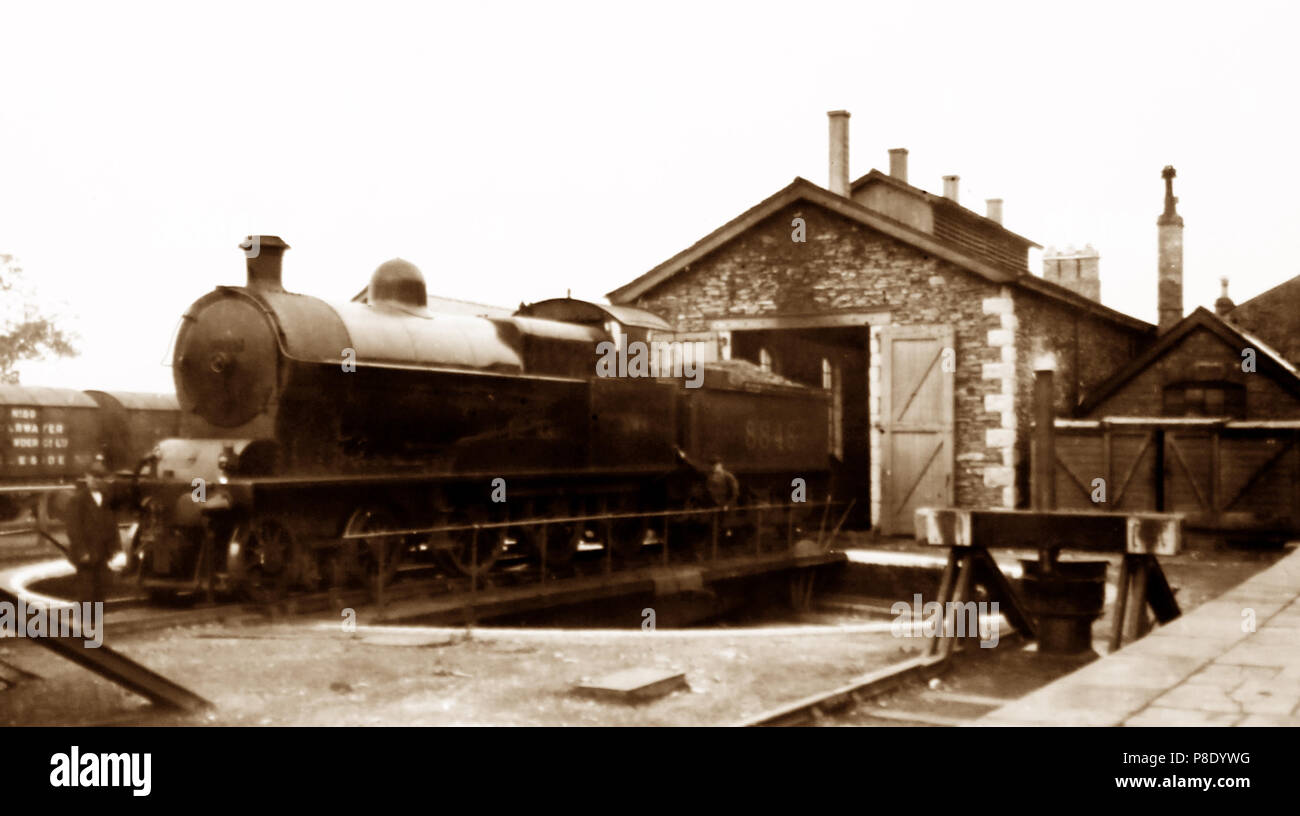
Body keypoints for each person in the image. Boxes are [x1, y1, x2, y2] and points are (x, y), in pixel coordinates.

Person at [64, 463, 118, 605]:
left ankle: (97, 623)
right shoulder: (78, 500)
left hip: (102, 553)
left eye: (99, 477)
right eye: (93, 477)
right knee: (86, 590)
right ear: (87, 477)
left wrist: (115, 548)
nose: (95, 480)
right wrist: (82, 551)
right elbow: (73, 528)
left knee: (100, 590)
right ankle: (86, 623)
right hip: (86, 554)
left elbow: (112, 525)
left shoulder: (107, 500)